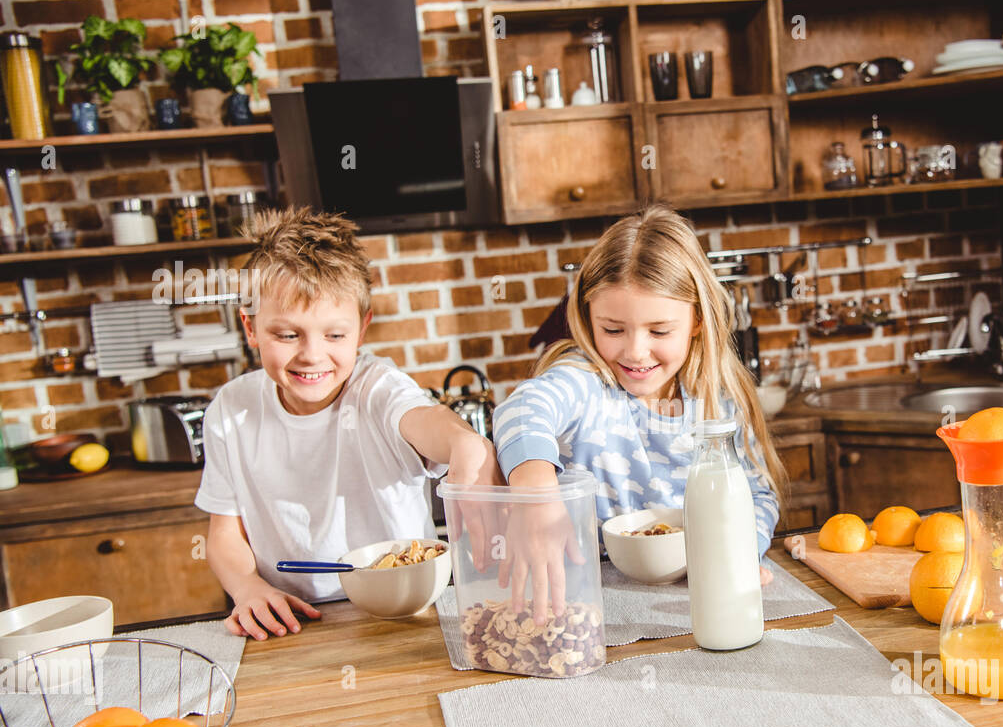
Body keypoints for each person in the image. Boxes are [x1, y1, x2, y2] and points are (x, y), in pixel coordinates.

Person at [196, 207, 502, 640]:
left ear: (362, 329)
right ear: (251, 328)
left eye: (334, 335)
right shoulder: (232, 409)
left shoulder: (377, 388)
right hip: (294, 620)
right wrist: (247, 587)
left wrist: (466, 445)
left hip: (404, 612)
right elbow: (225, 533)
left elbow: (427, 420)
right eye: (287, 335)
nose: (312, 355)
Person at [492, 204, 784, 620]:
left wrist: (738, 551)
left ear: (698, 320)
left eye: (659, 331)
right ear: (587, 316)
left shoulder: (717, 397)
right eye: (612, 329)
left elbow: (756, 495)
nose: (634, 351)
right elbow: (524, 409)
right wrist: (536, 493)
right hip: (591, 605)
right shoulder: (585, 380)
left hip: (695, 602)